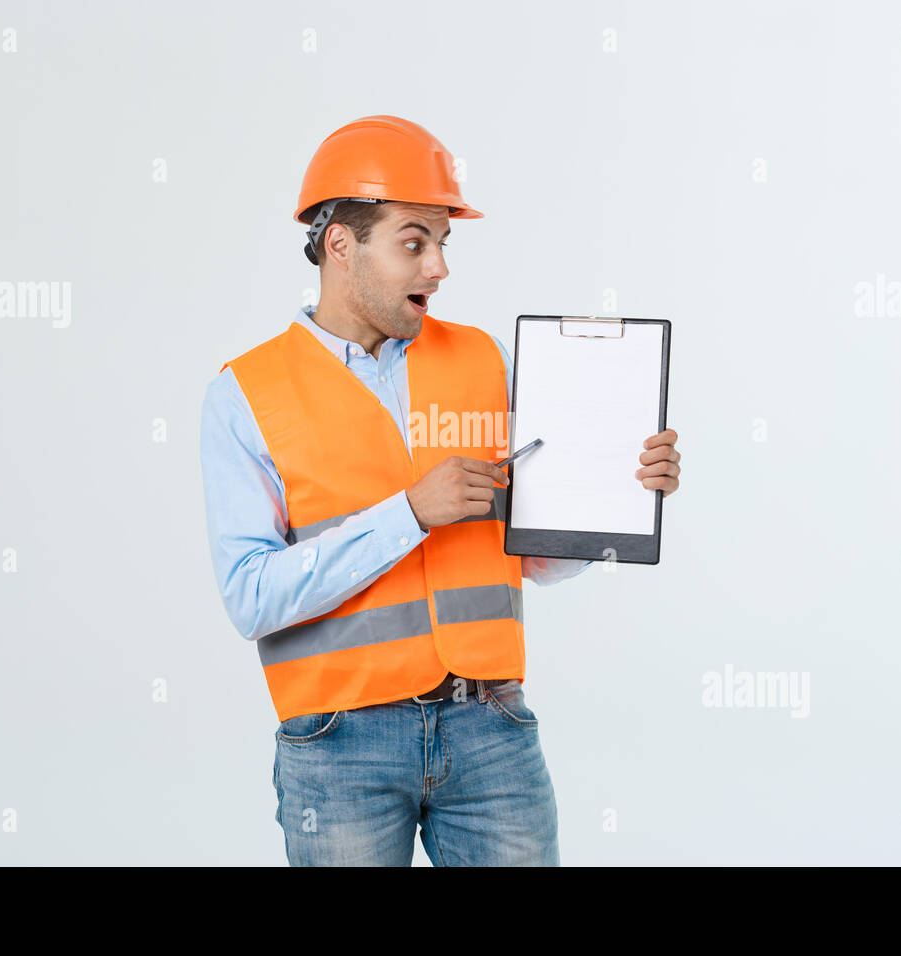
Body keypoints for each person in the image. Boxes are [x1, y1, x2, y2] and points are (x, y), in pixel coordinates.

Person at [199, 115, 681, 866]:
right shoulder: (248, 394)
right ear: (340, 245)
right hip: (338, 745)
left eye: (442, 245)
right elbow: (251, 596)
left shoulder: (484, 361)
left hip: (491, 727)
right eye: (413, 242)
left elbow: (536, 557)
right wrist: (410, 515)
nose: (438, 269)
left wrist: (614, 494)